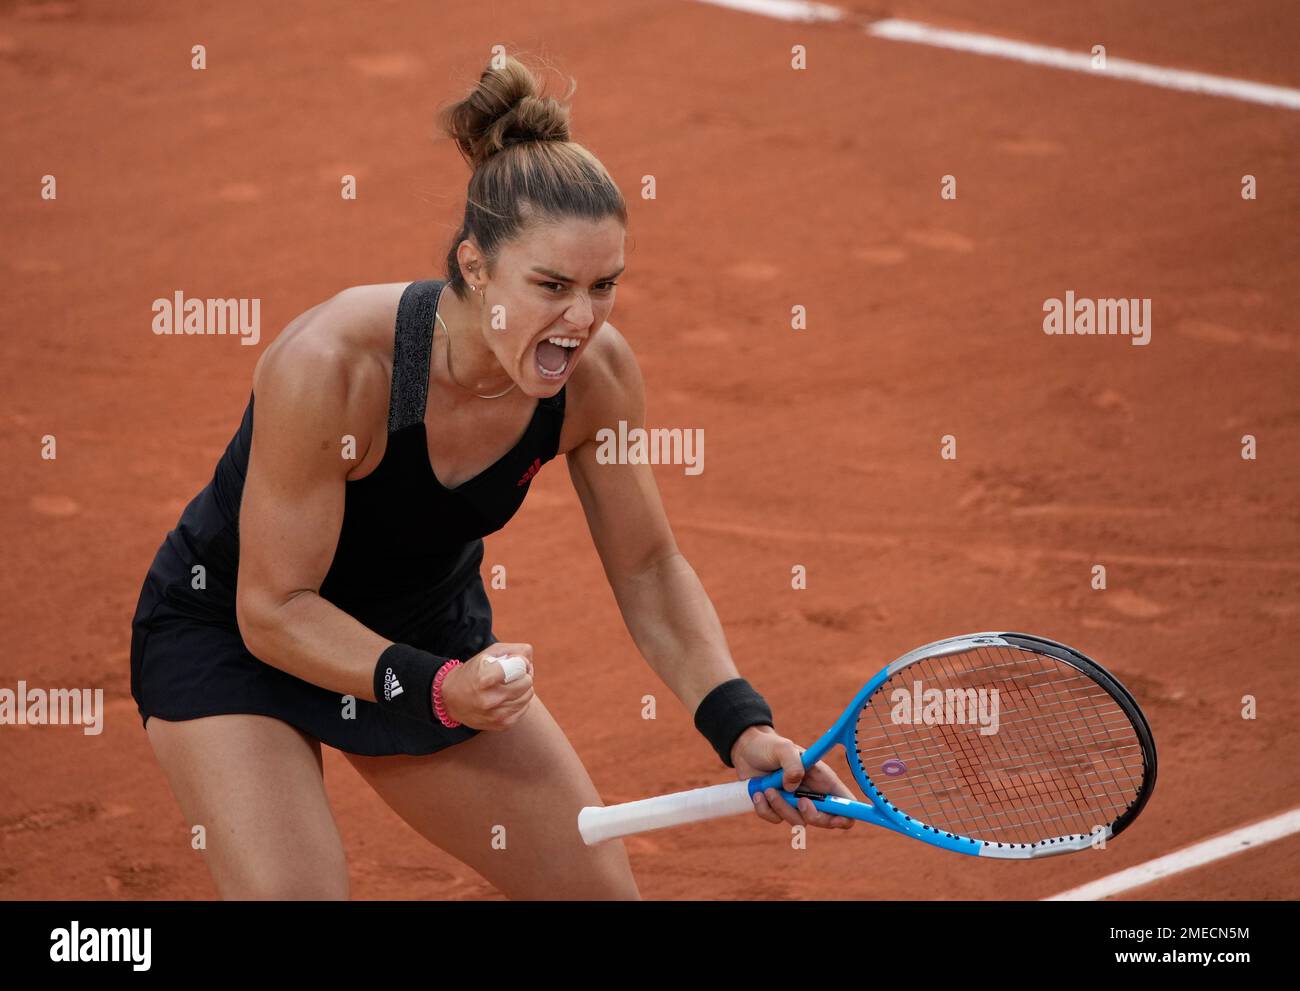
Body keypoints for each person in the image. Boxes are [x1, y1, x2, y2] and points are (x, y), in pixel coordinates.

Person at [129, 55, 855, 901]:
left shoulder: (597, 378)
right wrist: (438, 688)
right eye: (551, 286)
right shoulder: (333, 367)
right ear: (474, 266)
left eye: (603, 286)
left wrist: (739, 720)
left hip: (426, 636)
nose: (580, 320)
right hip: (237, 638)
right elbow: (273, 609)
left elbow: (649, 569)